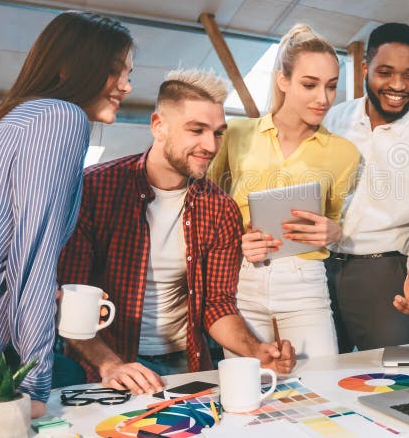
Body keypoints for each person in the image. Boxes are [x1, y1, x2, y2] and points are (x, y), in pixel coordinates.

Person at [0, 11, 134, 429]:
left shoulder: (10, 120)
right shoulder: (61, 118)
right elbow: (32, 258)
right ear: (72, 67)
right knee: (71, 384)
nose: (126, 87)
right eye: (115, 72)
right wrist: (31, 391)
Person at [58, 69, 296, 394]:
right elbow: (70, 299)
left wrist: (256, 351)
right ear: (159, 126)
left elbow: (217, 304)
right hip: (103, 363)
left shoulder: (220, 208)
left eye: (217, 133)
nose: (210, 145)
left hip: (184, 365)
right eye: (196, 130)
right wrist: (110, 365)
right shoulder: (95, 189)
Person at [209, 24, 360, 358]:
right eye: (310, 84)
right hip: (243, 278)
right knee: (247, 390)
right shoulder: (235, 134)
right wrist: (237, 240)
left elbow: (332, 219)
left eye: (332, 86)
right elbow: (207, 206)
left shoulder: (345, 153)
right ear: (283, 80)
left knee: (321, 388)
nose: (323, 99)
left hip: (305, 283)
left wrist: (335, 231)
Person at [322, 22, 409, 352]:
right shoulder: (332, 121)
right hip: (318, 267)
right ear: (365, 69)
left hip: (384, 274)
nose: (398, 85)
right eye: (385, 72)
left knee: (388, 383)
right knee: (315, 376)